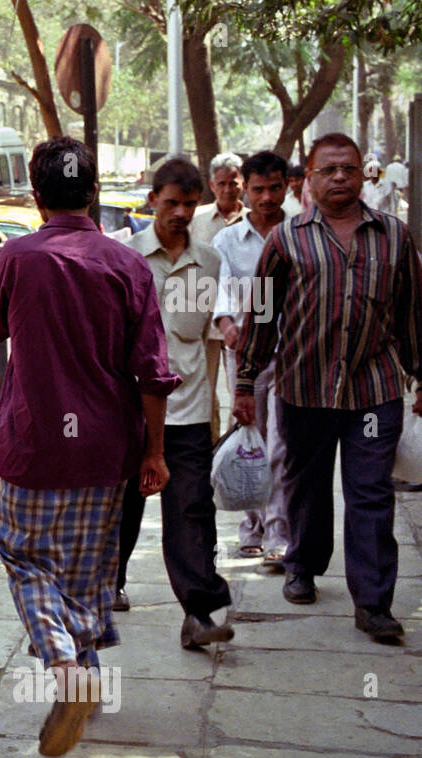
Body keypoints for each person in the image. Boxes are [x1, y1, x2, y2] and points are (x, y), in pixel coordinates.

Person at [0, 137, 177, 757]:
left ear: (35, 197)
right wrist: (154, 452)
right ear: (94, 193)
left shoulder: (17, 258)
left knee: (26, 559)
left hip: (36, 439)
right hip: (104, 444)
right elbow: (152, 369)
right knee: (87, 572)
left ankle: (66, 672)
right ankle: (86, 679)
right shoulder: (127, 264)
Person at [235, 132, 422, 645]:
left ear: (364, 175)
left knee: (370, 493)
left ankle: (374, 603)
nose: (340, 176)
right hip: (304, 386)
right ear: (310, 179)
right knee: (308, 486)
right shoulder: (287, 240)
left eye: (349, 168)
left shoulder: (395, 236)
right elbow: (262, 316)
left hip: (374, 387)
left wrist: (420, 373)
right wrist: (247, 381)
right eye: (328, 169)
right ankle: (303, 564)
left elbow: (411, 313)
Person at [115, 157, 233, 649]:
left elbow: (210, 340)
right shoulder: (122, 256)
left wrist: (218, 407)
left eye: (189, 204)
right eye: (171, 203)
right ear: (152, 201)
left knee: (191, 509)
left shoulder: (209, 261)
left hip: (185, 412)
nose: (181, 213)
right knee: (120, 508)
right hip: (126, 412)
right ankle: (107, 584)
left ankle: (200, 613)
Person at [212, 150, 292, 572]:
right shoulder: (227, 239)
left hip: (293, 354)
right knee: (250, 442)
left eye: (274, 188)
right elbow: (221, 292)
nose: (266, 197)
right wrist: (228, 326)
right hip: (245, 357)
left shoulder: (299, 232)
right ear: (246, 188)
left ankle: (279, 534)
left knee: (280, 444)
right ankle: (252, 528)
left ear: (287, 186)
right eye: (257, 189)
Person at [191, 152, 244, 441]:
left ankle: (236, 445)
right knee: (204, 387)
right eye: (222, 183)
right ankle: (209, 448)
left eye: (233, 183)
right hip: (204, 315)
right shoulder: (197, 220)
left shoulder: (255, 220)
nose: (227, 189)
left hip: (246, 316)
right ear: (212, 185)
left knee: (243, 387)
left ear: (243, 184)